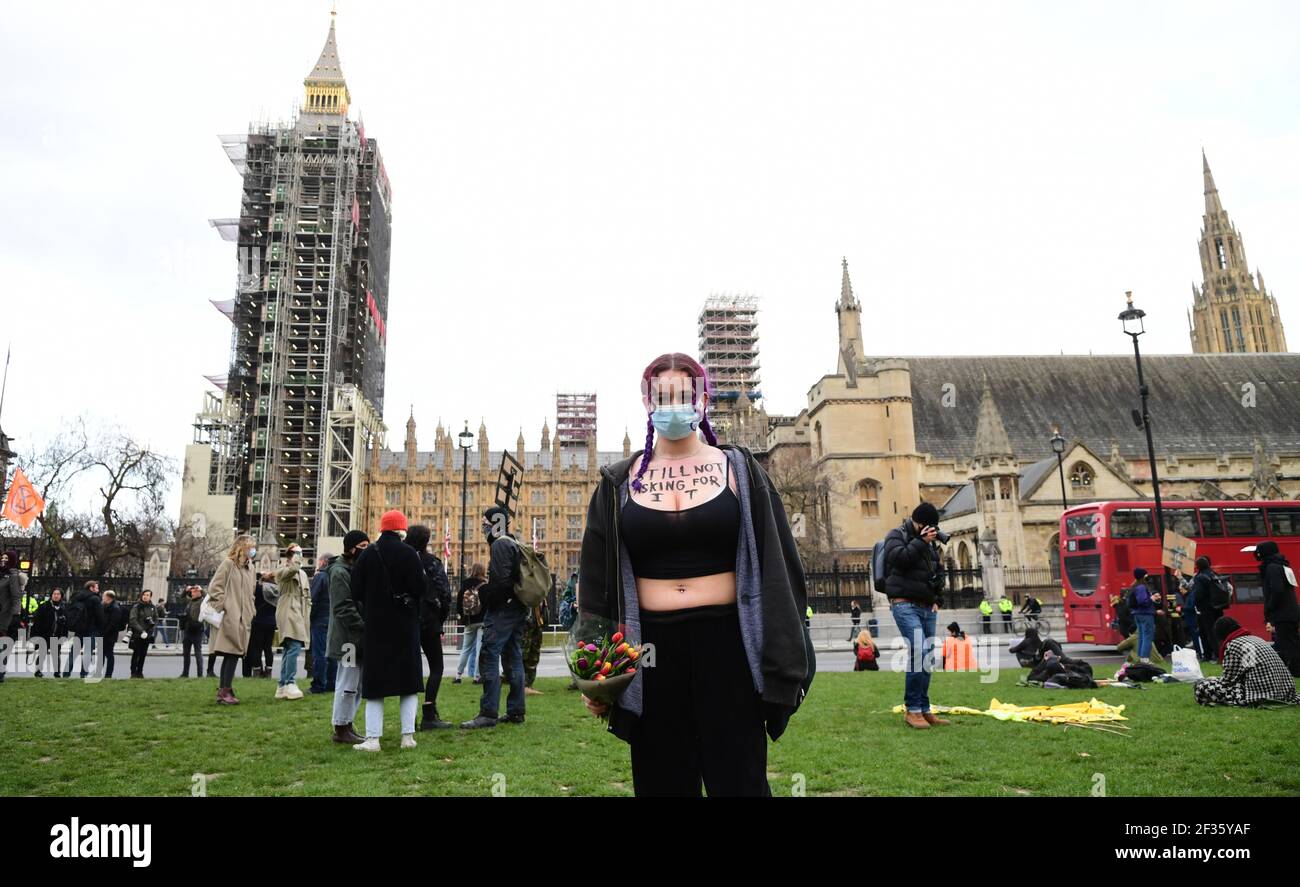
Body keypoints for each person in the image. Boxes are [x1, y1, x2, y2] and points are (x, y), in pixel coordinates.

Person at [577, 352, 812, 796]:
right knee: (662, 782)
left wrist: (785, 663)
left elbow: (780, 567)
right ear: (647, 403)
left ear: (703, 399)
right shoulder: (618, 483)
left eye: (683, 395)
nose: (672, 405)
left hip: (729, 644)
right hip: (650, 652)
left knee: (740, 780)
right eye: (662, 396)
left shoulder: (740, 470)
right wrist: (598, 672)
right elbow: (596, 586)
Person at [350, 510, 425, 750]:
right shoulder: (409, 553)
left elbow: (355, 591)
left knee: (375, 684)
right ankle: (407, 737)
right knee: (408, 682)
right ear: (401, 529)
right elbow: (421, 589)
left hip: (376, 626)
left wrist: (371, 608)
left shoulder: (368, 554)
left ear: (382, 528)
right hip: (405, 625)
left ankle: (373, 739)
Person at [462, 505, 530, 729]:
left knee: (489, 654)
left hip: (503, 611)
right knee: (513, 657)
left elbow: (501, 584)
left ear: (496, 522)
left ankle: (488, 712)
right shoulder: (513, 541)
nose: (483, 526)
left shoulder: (500, 545)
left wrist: (483, 592)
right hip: (517, 608)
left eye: (486, 522)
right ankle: (516, 711)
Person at [883, 503, 948, 729]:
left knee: (928, 656)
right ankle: (912, 710)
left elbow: (938, 571)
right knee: (918, 650)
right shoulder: (896, 535)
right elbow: (899, 559)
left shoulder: (928, 544)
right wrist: (921, 542)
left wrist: (938, 599)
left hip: (926, 606)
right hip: (904, 604)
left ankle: (924, 708)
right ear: (919, 522)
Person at [405, 524, 453, 730]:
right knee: (436, 667)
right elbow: (445, 594)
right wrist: (439, 618)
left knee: (409, 669)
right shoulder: (431, 563)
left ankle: (408, 719)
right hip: (428, 621)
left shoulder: (401, 561)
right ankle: (429, 714)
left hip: (406, 620)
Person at [1193, 616, 1300, 707]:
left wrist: (1211, 680)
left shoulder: (1234, 644)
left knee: (1201, 685)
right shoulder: (1255, 638)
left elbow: (1228, 681)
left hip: (1260, 696)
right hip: (1284, 692)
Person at [327, 530, 369, 744]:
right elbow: (343, 607)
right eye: (362, 545)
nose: (366, 549)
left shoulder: (351, 569)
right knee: (348, 683)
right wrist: (363, 626)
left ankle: (346, 723)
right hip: (347, 639)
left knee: (356, 684)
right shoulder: (339, 572)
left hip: (356, 638)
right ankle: (341, 726)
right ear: (351, 548)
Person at [207, 535, 258, 705]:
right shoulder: (228, 564)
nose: (253, 550)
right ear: (242, 547)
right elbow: (215, 587)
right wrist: (226, 605)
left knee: (234, 653)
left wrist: (251, 610)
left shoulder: (250, 568)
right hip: (232, 614)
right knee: (231, 651)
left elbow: (251, 592)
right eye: (250, 546)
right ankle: (224, 691)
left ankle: (225, 689)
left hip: (244, 616)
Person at [263, 544, 310, 700]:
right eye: (297, 554)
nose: (300, 556)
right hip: (288, 609)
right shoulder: (284, 570)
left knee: (290, 647)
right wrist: (295, 558)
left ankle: (283, 684)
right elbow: (291, 571)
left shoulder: (302, 573)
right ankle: (289, 682)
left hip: (299, 610)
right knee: (294, 645)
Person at [1253, 541, 1300, 677]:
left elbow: (1277, 590)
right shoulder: (1282, 565)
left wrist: (1269, 606)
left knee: (1289, 643)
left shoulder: (1272, 568)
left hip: (1283, 612)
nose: (1257, 555)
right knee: (1290, 641)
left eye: (1259, 552)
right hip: (1290, 610)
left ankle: (1296, 670)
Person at [308, 553, 336, 694]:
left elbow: (313, 598)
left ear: (323, 562)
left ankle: (318, 684)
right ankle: (332, 683)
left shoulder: (320, 577)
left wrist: (310, 617)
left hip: (320, 619)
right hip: (332, 619)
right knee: (332, 654)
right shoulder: (335, 576)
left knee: (319, 653)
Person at [65, 580, 105, 679]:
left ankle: (66, 673)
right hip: (91, 629)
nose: (98, 589)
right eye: (96, 587)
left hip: (79, 629)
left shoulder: (77, 597)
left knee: (73, 653)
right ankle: (83, 674)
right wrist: (101, 628)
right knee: (87, 653)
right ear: (91, 588)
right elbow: (100, 616)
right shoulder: (95, 599)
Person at [454, 563, 487, 684]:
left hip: (469, 620)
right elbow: (488, 604)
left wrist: (463, 617)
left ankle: (458, 675)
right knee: (479, 649)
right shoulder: (485, 585)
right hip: (482, 621)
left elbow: (458, 603)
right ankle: (477, 677)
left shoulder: (465, 584)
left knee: (465, 648)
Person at [1191, 556, 1225, 663]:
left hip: (1205, 608)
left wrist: (1195, 602)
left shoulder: (1199, 577)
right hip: (1217, 606)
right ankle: (1220, 653)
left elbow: (1199, 594)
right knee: (1217, 631)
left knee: (1208, 632)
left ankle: (1211, 655)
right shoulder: (1214, 574)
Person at [30, 588, 68, 678]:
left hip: (57, 635)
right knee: (42, 653)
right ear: (51, 595)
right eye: (54, 594)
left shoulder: (63, 608)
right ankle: (38, 671)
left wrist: (64, 636)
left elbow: (66, 624)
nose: (56, 595)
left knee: (56, 654)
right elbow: (37, 622)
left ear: (61, 596)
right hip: (44, 635)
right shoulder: (44, 606)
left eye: (58, 594)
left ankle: (57, 672)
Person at [0, 550, 25, 682]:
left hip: (6, 616)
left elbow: (16, 597)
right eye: (2, 558)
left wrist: (16, 614)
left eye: (6, 558)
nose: (3, 560)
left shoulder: (13, 576)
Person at [244, 578, 277, 678]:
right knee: (268, 648)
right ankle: (268, 671)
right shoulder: (276, 590)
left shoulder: (258, 589)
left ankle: (257, 671)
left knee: (257, 648)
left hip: (258, 621)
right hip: (271, 622)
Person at [127, 590, 157, 679]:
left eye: (147, 595)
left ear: (150, 597)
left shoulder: (153, 607)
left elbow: (156, 619)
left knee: (143, 654)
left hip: (147, 634)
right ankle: (133, 672)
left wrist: (150, 630)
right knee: (136, 653)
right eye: (144, 594)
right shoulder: (137, 606)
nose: (145, 596)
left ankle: (140, 672)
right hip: (137, 633)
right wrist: (141, 630)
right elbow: (133, 620)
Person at [1130, 568, 1157, 664]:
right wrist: (1151, 599)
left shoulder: (1135, 586)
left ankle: (1141, 657)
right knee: (1147, 636)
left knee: (1142, 635)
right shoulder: (1141, 587)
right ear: (1143, 576)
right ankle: (1145, 658)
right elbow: (1142, 601)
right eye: (1146, 575)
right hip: (1145, 614)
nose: (1148, 576)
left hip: (1137, 614)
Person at [522, 597, 546, 696]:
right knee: (524, 652)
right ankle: (523, 685)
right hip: (526, 619)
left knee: (533, 653)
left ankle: (527, 684)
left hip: (536, 618)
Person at [180, 585, 205, 677]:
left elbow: (209, 599)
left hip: (197, 629)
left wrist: (202, 590)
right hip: (188, 629)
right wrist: (185, 590)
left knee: (197, 652)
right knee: (186, 653)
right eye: (192, 591)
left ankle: (200, 674)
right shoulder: (190, 601)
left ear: (199, 593)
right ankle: (185, 673)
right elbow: (181, 598)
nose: (193, 593)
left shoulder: (202, 601)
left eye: (195, 591)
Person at [101, 590, 126, 679]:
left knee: (109, 655)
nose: (102, 597)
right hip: (105, 634)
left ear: (108, 597)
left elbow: (113, 624)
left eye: (103, 596)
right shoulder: (105, 606)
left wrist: (103, 633)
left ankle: (108, 675)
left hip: (109, 636)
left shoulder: (115, 608)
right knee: (102, 654)